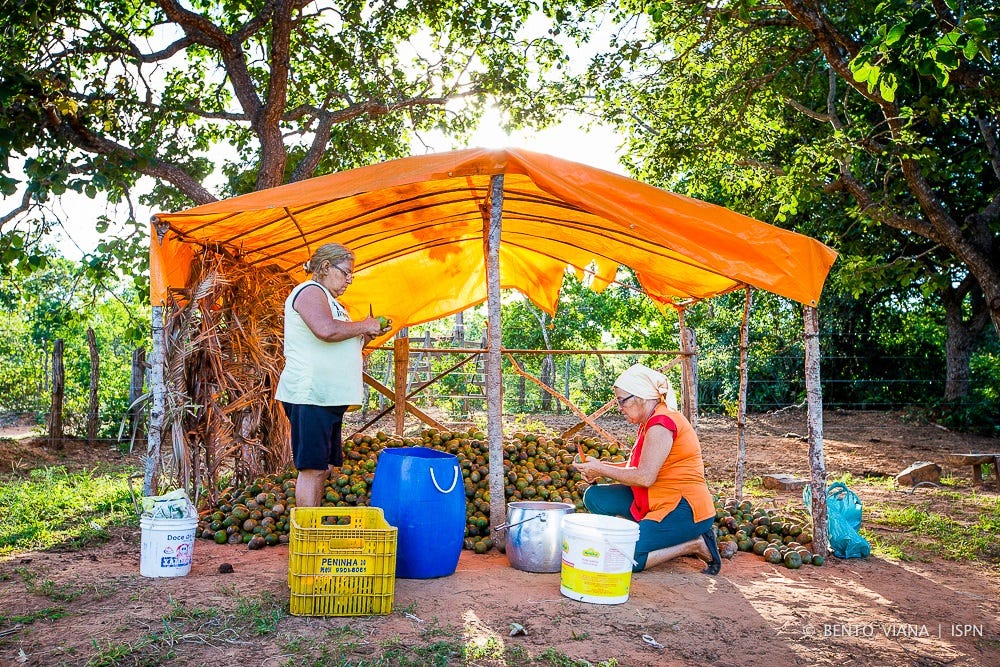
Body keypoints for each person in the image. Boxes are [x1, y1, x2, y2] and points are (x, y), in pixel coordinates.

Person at [572, 363, 721, 575]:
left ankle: (695, 543)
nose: (619, 407)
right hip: (653, 498)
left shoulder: (661, 424)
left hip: (683, 508)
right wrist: (598, 467)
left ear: (641, 397)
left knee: (625, 557)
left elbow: (644, 477)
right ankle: (646, 535)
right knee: (595, 497)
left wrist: (601, 469)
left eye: (622, 401)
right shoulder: (649, 421)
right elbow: (637, 467)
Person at [275, 243, 386, 508]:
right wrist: (364, 325)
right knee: (312, 468)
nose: (349, 279)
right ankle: (307, 537)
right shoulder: (310, 291)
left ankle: (310, 529)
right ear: (325, 267)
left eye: (351, 275)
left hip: (326, 397)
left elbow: (336, 339)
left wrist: (363, 336)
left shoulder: (332, 302)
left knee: (323, 467)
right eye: (346, 272)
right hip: (310, 393)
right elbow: (324, 330)